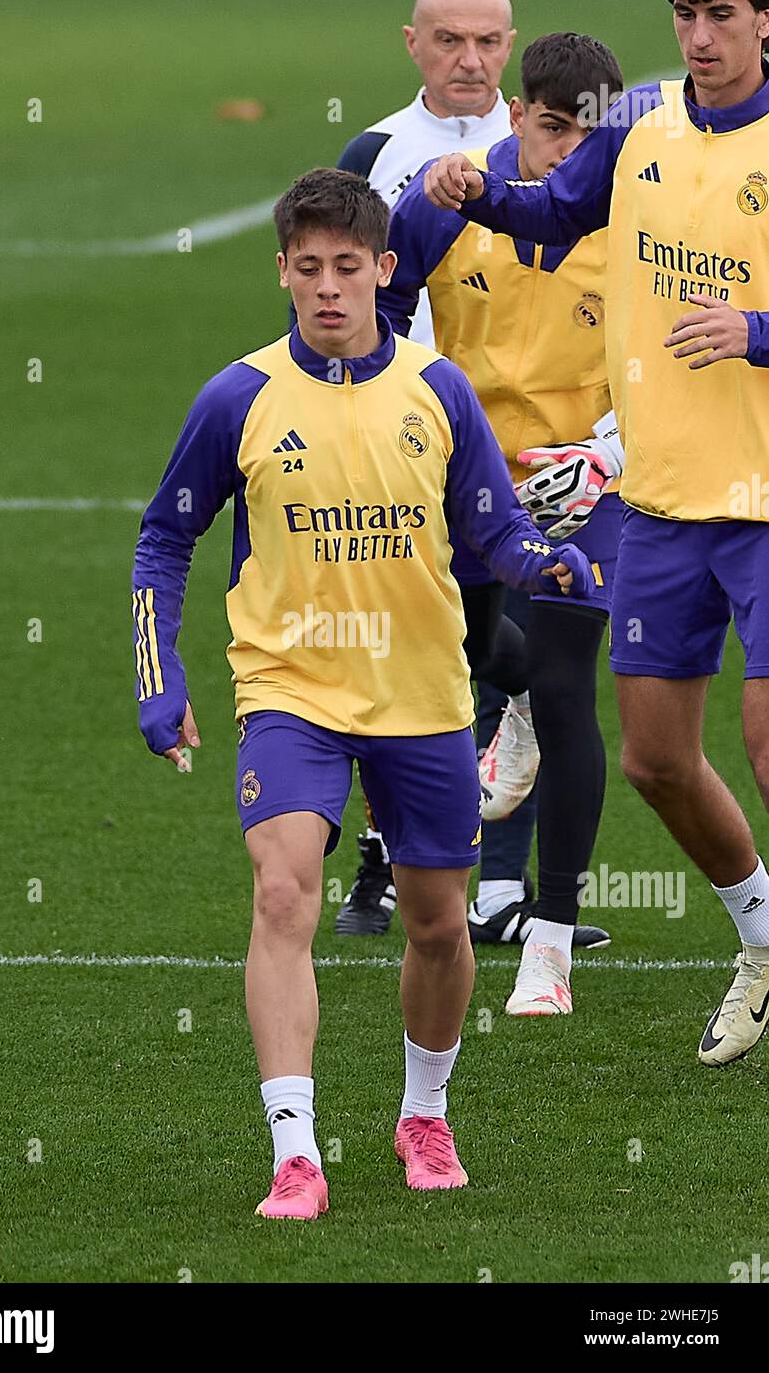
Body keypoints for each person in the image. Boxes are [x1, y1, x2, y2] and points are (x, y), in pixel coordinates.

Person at [131, 167, 594, 1220]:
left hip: (422, 690)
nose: (328, 287)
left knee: (437, 925)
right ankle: (293, 1149)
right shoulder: (237, 398)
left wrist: (542, 563)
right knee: (283, 888)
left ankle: (421, 1114)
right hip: (288, 685)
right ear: (282, 273)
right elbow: (165, 536)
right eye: (308, 269)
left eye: (348, 267)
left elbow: (490, 529)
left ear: (384, 271)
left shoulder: (436, 390)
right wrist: (161, 679)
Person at [424, 0, 769, 1064]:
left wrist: (754, 328)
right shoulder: (634, 122)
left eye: (719, 12)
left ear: (764, 18)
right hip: (661, 500)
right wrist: (478, 189)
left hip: (763, 501)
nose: (699, 37)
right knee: (656, 762)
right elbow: (551, 212)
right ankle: (761, 940)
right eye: (683, 13)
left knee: (764, 746)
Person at [340, 33, 623, 1017]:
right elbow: (382, 299)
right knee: (465, 649)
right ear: (515, 115)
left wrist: (608, 454)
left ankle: (547, 936)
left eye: (584, 137)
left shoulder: (627, 215)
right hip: (470, 480)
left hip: (588, 485)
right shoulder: (447, 196)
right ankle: (512, 710)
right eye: (548, 129)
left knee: (563, 683)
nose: (562, 155)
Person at [337, 0, 516, 346]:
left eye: (488, 42)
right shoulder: (370, 153)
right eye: (449, 40)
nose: (470, 61)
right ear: (413, 42)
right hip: (400, 392)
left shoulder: (542, 150)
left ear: (509, 45)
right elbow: (326, 276)